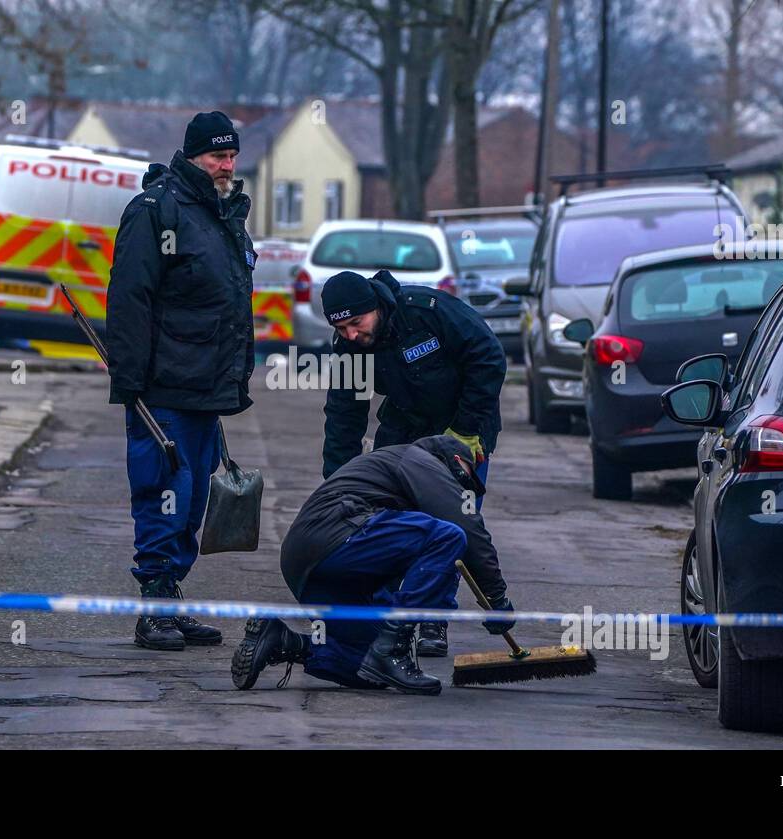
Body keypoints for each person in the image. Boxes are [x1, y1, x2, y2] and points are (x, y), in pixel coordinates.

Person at [104, 110, 256, 651]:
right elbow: (129, 299)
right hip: (162, 387)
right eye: (218, 156)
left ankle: (172, 597)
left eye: (232, 156)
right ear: (193, 155)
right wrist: (129, 379)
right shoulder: (155, 210)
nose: (227, 165)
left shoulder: (223, 212)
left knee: (191, 501)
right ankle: (155, 607)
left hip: (207, 389)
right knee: (162, 492)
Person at [231, 435, 515, 695]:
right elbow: (466, 527)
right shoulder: (420, 460)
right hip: (337, 537)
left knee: (369, 667)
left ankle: (285, 642)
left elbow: (398, 571)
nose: (462, 490)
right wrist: (496, 598)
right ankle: (392, 650)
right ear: (456, 462)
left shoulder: (397, 486)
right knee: (450, 535)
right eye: (465, 480)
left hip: (309, 564)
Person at [320, 269, 507, 656]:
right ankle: (392, 618)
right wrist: (339, 479)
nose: (352, 335)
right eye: (341, 329)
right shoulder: (350, 349)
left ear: (377, 306)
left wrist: (466, 429)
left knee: (452, 523)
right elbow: (344, 414)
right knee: (391, 519)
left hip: (462, 424)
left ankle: (434, 620)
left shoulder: (428, 311)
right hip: (404, 428)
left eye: (357, 323)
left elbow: (488, 356)